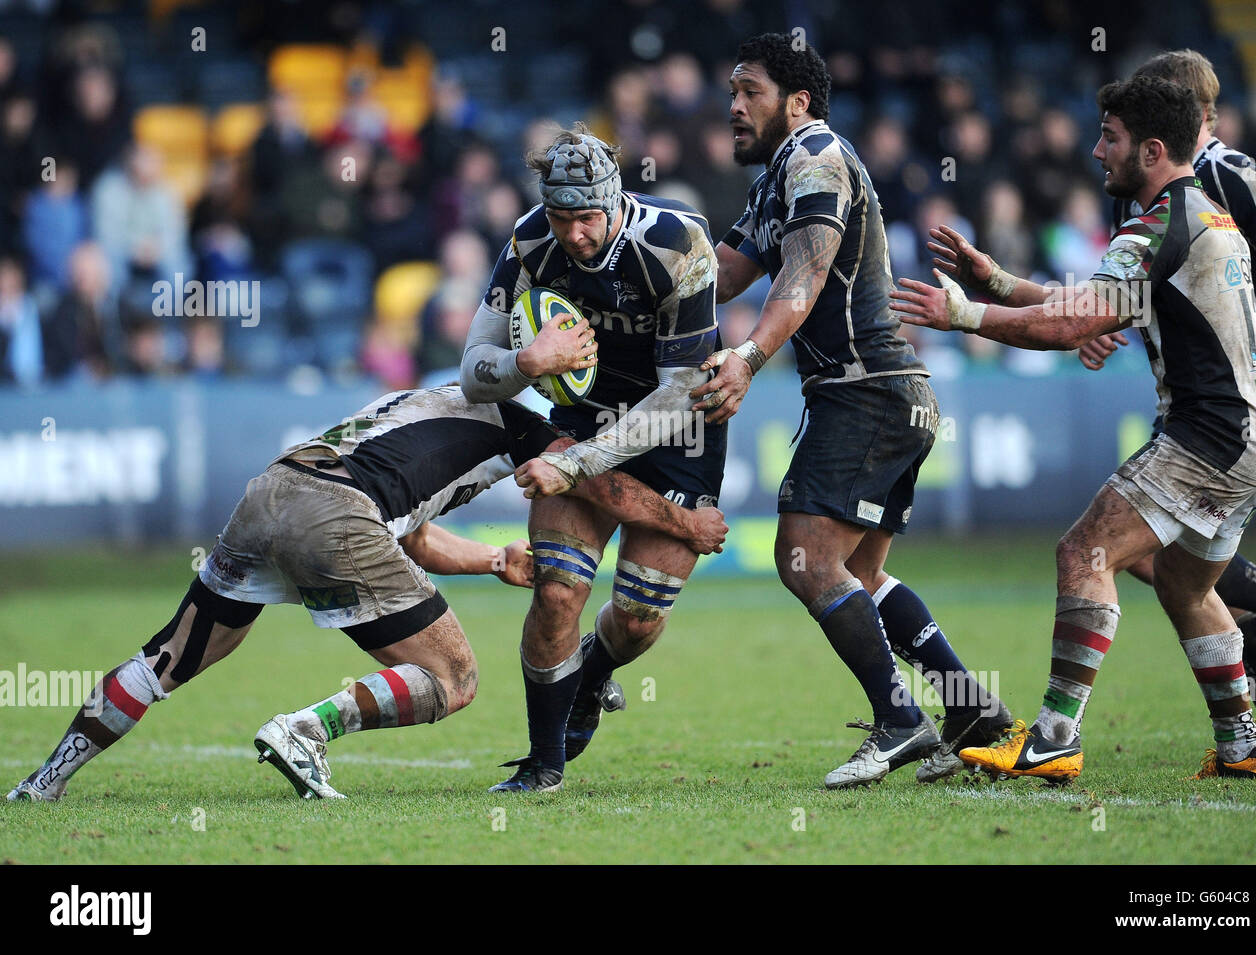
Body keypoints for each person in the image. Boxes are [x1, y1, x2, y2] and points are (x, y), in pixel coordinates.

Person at [7, 385, 727, 802]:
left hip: (272, 491)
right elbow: (597, 481)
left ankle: (44, 780)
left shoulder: (422, 400)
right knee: (456, 677)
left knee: (169, 656)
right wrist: (682, 519)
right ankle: (307, 728)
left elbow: (404, 532)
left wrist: (487, 561)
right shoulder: (528, 424)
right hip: (339, 514)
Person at [890, 74, 1256, 781]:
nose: (1097, 150)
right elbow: (1086, 303)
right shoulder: (1205, 215)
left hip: (1208, 435)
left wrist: (965, 315)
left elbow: (1074, 321)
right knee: (1186, 587)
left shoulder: (1162, 221)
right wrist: (1002, 284)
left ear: (1153, 148)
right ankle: (1244, 746)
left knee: (1085, 552)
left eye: (1111, 137)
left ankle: (1052, 736)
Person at [690, 33, 1010, 788]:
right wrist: (638, 261)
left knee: (802, 555)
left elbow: (800, 279)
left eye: (750, 92)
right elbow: (727, 271)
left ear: (797, 101)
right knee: (859, 576)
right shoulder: (775, 177)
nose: (734, 106)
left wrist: (744, 358)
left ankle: (899, 720)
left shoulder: (816, 157)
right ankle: (973, 710)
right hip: (887, 392)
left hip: (864, 390)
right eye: (731, 92)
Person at [460, 124, 727, 792]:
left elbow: (681, 389)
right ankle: (543, 762)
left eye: (585, 219)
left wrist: (579, 463)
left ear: (613, 204)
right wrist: (528, 362)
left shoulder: (677, 243)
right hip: (581, 420)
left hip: (677, 433)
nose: (572, 234)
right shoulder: (528, 241)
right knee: (556, 592)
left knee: (637, 619)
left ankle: (594, 670)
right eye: (560, 217)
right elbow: (472, 370)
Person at [1077, 50, 1256, 765]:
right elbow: (1141, 283)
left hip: (1232, 401)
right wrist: (1104, 322)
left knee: (1134, 553)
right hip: (1186, 396)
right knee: (1174, 567)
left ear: (1188, 111)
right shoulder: (1145, 186)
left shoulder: (1231, 175)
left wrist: (1239, 320)